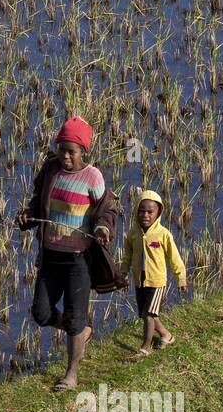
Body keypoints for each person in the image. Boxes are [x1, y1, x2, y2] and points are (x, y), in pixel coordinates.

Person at [15, 116, 121, 391]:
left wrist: (102, 228)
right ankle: (82, 330)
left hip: (78, 260)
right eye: (61, 149)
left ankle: (71, 374)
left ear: (83, 151)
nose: (65, 156)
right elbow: (38, 203)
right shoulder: (51, 170)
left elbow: (107, 210)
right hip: (50, 257)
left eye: (71, 151)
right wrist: (27, 217)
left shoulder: (92, 177)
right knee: (41, 313)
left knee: (75, 317)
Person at [121, 189, 187, 357]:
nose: (145, 215)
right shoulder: (133, 233)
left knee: (149, 314)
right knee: (146, 314)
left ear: (158, 213)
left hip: (157, 282)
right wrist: (123, 272)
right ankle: (166, 336)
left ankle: (145, 347)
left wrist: (181, 278)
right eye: (141, 211)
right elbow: (127, 255)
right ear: (136, 211)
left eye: (150, 212)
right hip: (140, 281)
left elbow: (175, 258)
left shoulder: (163, 234)